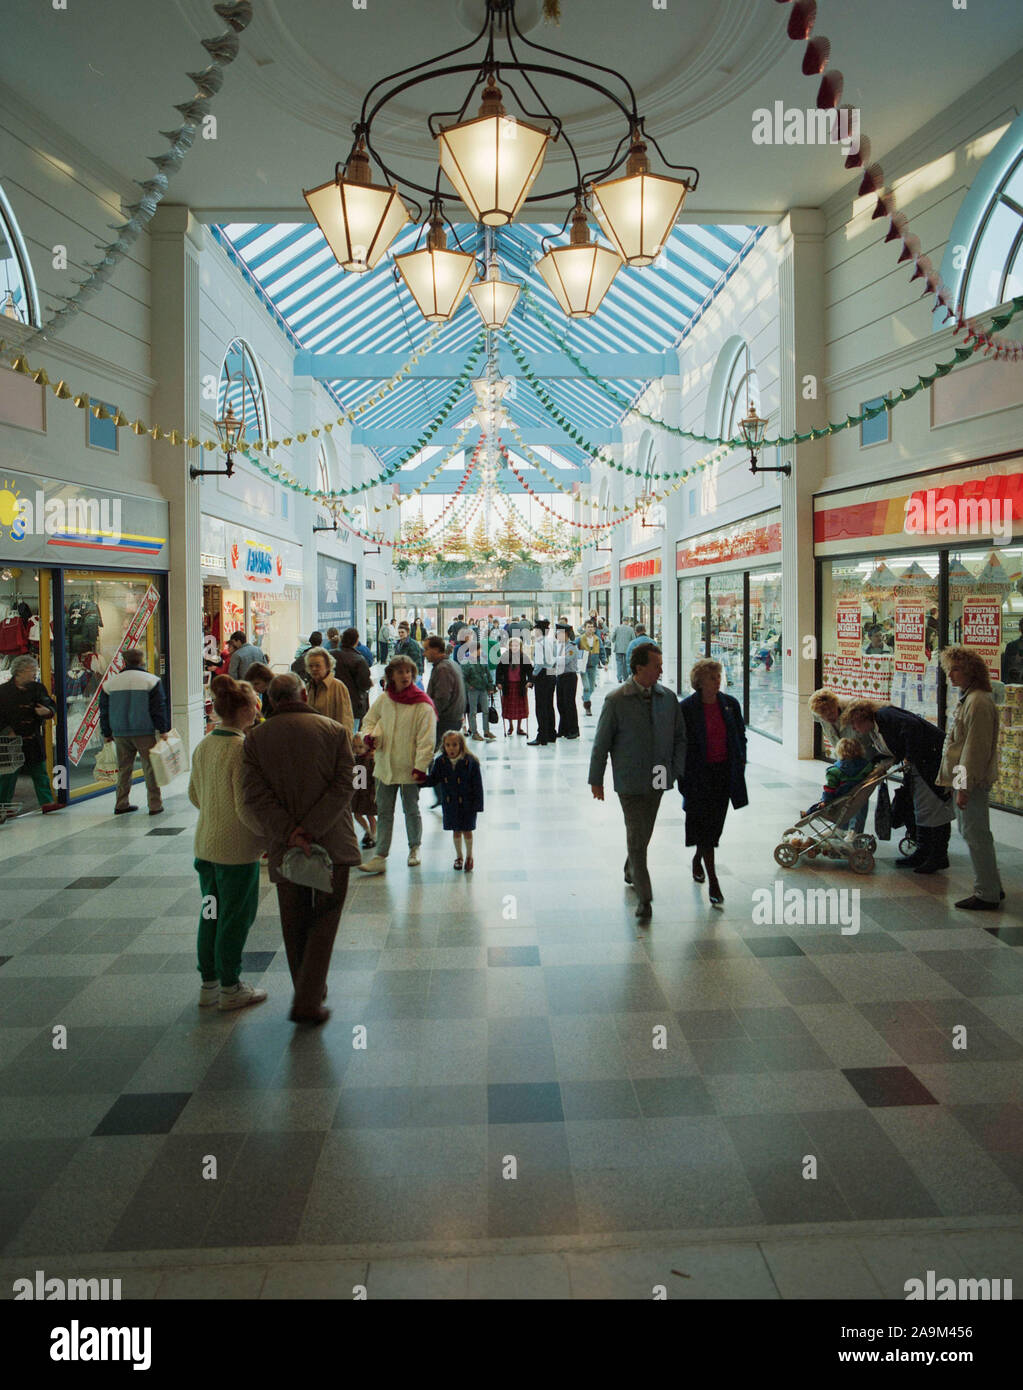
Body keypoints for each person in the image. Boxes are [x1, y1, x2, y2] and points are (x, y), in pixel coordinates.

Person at [239, 672, 359, 1026]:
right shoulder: (334, 731)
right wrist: (313, 827)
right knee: (325, 917)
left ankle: (307, 987)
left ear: (271, 701)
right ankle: (308, 998)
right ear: (304, 694)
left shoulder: (256, 739)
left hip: (284, 846)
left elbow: (255, 795)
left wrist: (291, 832)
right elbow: (344, 786)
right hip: (332, 842)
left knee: (293, 920)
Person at [588, 643, 687, 921]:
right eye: (656, 665)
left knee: (644, 833)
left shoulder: (667, 698)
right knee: (635, 832)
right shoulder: (616, 700)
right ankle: (645, 897)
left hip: (658, 775)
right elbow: (601, 743)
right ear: (639, 667)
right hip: (629, 778)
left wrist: (675, 770)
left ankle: (631, 868)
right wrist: (596, 780)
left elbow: (681, 737)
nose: (661, 670)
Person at [187, 674, 266, 1012]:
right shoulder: (241, 749)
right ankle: (231, 986)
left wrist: (214, 812)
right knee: (235, 918)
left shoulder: (205, 745)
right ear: (247, 710)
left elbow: (194, 795)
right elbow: (245, 805)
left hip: (206, 846)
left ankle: (209, 984)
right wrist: (266, 839)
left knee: (211, 913)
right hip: (237, 851)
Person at [845, 698, 953, 874]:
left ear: (861, 717)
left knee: (933, 807)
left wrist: (909, 757)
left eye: (854, 724)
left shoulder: (885, 715)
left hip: (930, 761)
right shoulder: (876, 727)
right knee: (920, 807)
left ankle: (939, 855)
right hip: (919, 765)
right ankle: (923, 851)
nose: (855, 729)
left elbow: (912, 726)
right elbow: (892, 747)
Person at [938, 645, 1004, 911]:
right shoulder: (971, 698)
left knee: (975, 834)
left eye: (956, 670)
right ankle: (992, 886)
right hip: (966, 780)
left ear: (971, 672)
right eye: (949, 669)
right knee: (975, 833)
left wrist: (963, 785)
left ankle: (986, 892)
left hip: (971, 781)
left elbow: (973, 750)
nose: (951, 675)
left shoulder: (977, 701)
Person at [358, 654, 437, 874]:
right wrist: (370, 736)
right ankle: (380, 855)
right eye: (400, 672)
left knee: (411, 809)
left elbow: (426, 739)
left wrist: (420, 766)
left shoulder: (422, 704)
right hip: (384, 766)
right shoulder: (385, 699)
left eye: (408, 671)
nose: (404, 675)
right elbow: (369, 720)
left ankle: (415, 848)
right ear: (391, 675)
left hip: (409, 767)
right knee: (383, 811)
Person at [680, 658, 748, 907]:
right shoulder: (687, 708)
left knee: (714, 827)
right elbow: (681, 743)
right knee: (704, 824)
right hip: (699, 776)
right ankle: (714, 881)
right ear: (699, 681)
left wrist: (741, 761)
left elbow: (740, 735)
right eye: (712, 677)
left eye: (719, 676)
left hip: (723, 774)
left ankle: (698, 857)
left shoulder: (730, 705)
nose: (717, 681)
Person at [99, 648, 171, 816]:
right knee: (150, 768)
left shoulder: (110, 683)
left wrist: (107, 732)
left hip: (120, 732)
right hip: (144, 731)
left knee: (124, 769)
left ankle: (121, 803)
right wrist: (163, 730)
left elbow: (104, 710)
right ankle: (154, 804)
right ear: (141, 661)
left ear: (124, 661)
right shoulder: (151, 681)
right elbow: (158, 708)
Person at [0, 655, 60, 816]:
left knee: (39, 771)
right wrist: (7, 731)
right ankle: (4, 806)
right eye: (31, 669)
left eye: (35, 669)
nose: (35, 672)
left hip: (33, 736)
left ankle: (47, 802)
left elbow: (49, 704)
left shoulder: (38, 688)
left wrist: (47, 711)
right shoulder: (3, 691)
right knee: (8, 775)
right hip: (10, 740)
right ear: (19, 671)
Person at [808, 688, 871, 841]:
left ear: (836, 705)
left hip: (862, 757)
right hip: (843, 757)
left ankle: (855, 831)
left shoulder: (852, 710)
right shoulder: (818, 715)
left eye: (830, 714)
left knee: (859, 793)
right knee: (842, 793)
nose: (828, 718)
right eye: (823, 716)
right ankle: (841, 828)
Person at [422, 729, 485, 871]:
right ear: (444, 746)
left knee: (467, 830)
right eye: (448, 745)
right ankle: (459, 856)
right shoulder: (441, 762)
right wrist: (420, 781)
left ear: (461, 745)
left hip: (468, 804)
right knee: (456, 830)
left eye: (455, 745)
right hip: (451, 803)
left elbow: (477, 785)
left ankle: (469, 856)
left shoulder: (471, 762)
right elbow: (433, 779)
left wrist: (478, 805)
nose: (451, 748)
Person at [805, 737, 871, 815]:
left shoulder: (834, 771)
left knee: (818, 805)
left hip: (838, 802)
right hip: (858, 798)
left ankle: (807, 813)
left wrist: (825, 801)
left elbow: (829, 789)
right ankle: (855, 827)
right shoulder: (867, 767)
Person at [425, 634, 467, 747]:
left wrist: (428, 716)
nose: (424, 653)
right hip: (453, 718)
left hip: (446, 720)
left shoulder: (442, 668)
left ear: (436, 649)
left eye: (426, 649)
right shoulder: (450, 664)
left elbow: (442, 698)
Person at [305, 646, 354, 735]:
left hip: (331, 741)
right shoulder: (308, 687)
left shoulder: (338, 687)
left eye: (317, 665)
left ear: (328, 666)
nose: (314, 669)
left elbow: (345, 720)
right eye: (310, 666)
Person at [460, 628, 498, 741]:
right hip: (473, 689)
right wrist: (468, 687)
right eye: (479, 649)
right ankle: (475, 732)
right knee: (473, 711)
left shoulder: (482, 659)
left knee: (485, 710)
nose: (481, 651)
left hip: (483, 688)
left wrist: (490, 687)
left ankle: (486, 731)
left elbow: (488, 673)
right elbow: (463, 677)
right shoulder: (466, 661)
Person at [333, 628, 373, 727]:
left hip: (334, 701)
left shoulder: (331, 655)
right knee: (352, 733)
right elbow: (364, 684)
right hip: (354, 704)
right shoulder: (359, 659)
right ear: (356, 641)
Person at [528, 621, 557, 746]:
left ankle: (542, 736)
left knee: (541, 706)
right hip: (551, 673)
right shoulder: (552, 641)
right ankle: (551, 733)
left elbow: (539, 663)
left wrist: (532, 677)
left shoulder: (540, 643)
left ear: (539, 631)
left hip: (543, 675)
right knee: (549, 705)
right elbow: (556, 658)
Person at [495, 635, 532, 736]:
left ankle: (519, 727)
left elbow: (530, 671)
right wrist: (498, 682)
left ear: (520, 646)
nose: (514, 647)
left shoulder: (524, 657)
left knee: (520, 707)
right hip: (508, 685)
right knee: (508, 707)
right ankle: (510, 726)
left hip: (520, 685)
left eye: (516, 645)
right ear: (509, 646)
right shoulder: (504, 657)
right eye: (512, 645)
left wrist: (530, 681)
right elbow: (499, 671)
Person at [554, 622, 581, 738]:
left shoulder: (571, 646)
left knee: (569, 703)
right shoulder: (559, 646)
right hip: (560, 676)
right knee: (560, 703)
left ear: (566, 634)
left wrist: (553, 659)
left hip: (569, 676)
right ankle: (563, 729)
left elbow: (565, 660)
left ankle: (573, 730)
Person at [351, 731, 377, 849]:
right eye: (355, 747)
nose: (357, 750)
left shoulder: (371, 760)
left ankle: (373, 835)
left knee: (370, 815)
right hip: (358, 793)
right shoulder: (355, 760)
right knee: (357, 814)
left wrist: (373, 793)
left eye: (360, 747)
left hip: (369, 793)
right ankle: (368, 832)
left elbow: (374, 779)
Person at [579, 619, 602, 715]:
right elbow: (574, 647)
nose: (590, 629)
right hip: (583, 666)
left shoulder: (597, 639)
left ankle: (585, 697)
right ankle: (587, 706)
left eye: (592, 627)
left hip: (593, 665)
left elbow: (602, 650)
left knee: (592, 687)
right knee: (587, 687)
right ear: (585, 628)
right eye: (588, 627)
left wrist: (604, 661)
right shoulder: (580, 639)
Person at [612, 618, 636, 683]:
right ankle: (625, 677)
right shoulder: (631, 629)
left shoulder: (617, 628)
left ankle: (619, 678)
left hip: (618, 649)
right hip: (627, 649)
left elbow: (612, 639)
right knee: (626, 663)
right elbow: (634, 639)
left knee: (619, 663)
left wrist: (616, 640)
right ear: (628, 621)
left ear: (622, 621)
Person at [1001, 618, 1023, 685]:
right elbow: (1005, 671)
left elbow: (1004, 672)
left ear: (1019, 629)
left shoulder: (1011, 646)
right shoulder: (1011, 646)